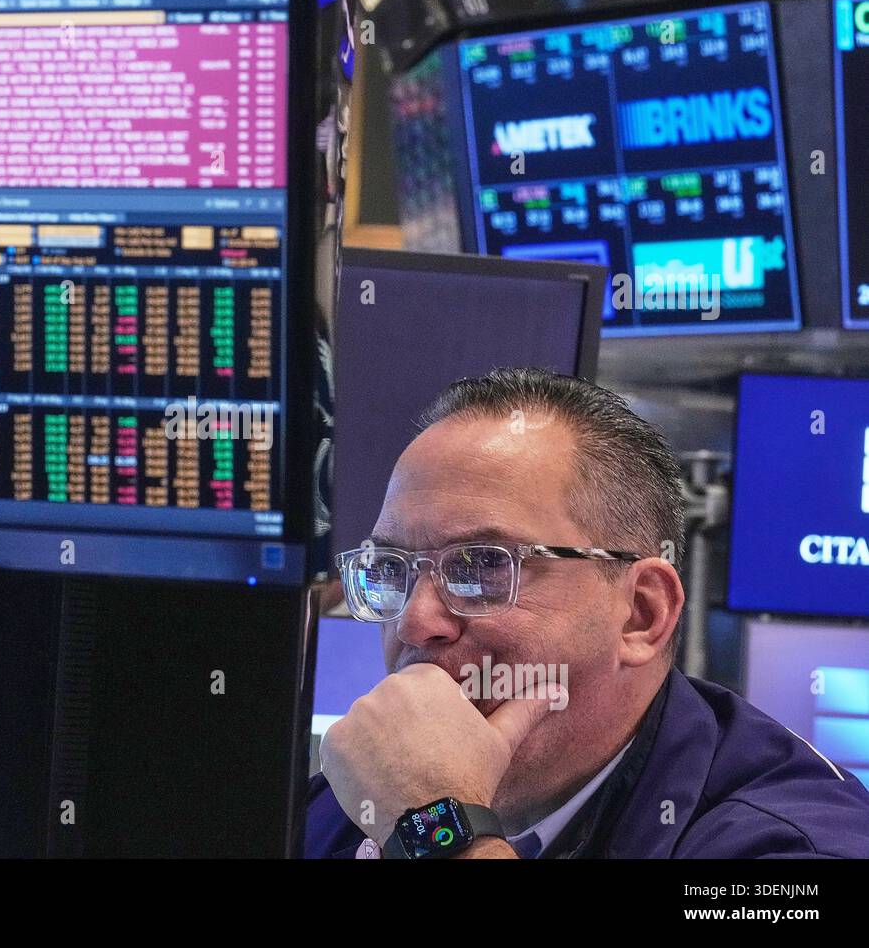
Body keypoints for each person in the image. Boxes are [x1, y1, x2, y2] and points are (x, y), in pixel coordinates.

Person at [308, 368, 869, 859]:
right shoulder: (352, 804)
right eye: (390, 570)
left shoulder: (792, 840)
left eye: (484, 566)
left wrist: (439, 828)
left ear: (641, 615)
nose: (414, 622)